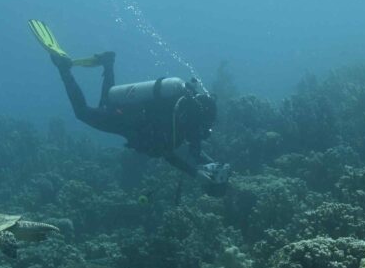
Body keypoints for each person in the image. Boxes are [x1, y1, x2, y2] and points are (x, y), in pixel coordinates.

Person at [29, 20, 230, 194]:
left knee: (108, 101)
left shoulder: (191, 114)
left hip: (133, 117)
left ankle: (108, 63)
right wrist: (195, 173)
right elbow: (168, 153)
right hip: (131, 122)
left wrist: (212, 166)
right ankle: (64, 69)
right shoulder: (193, 124)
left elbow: (195, 152)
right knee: (83, 113)